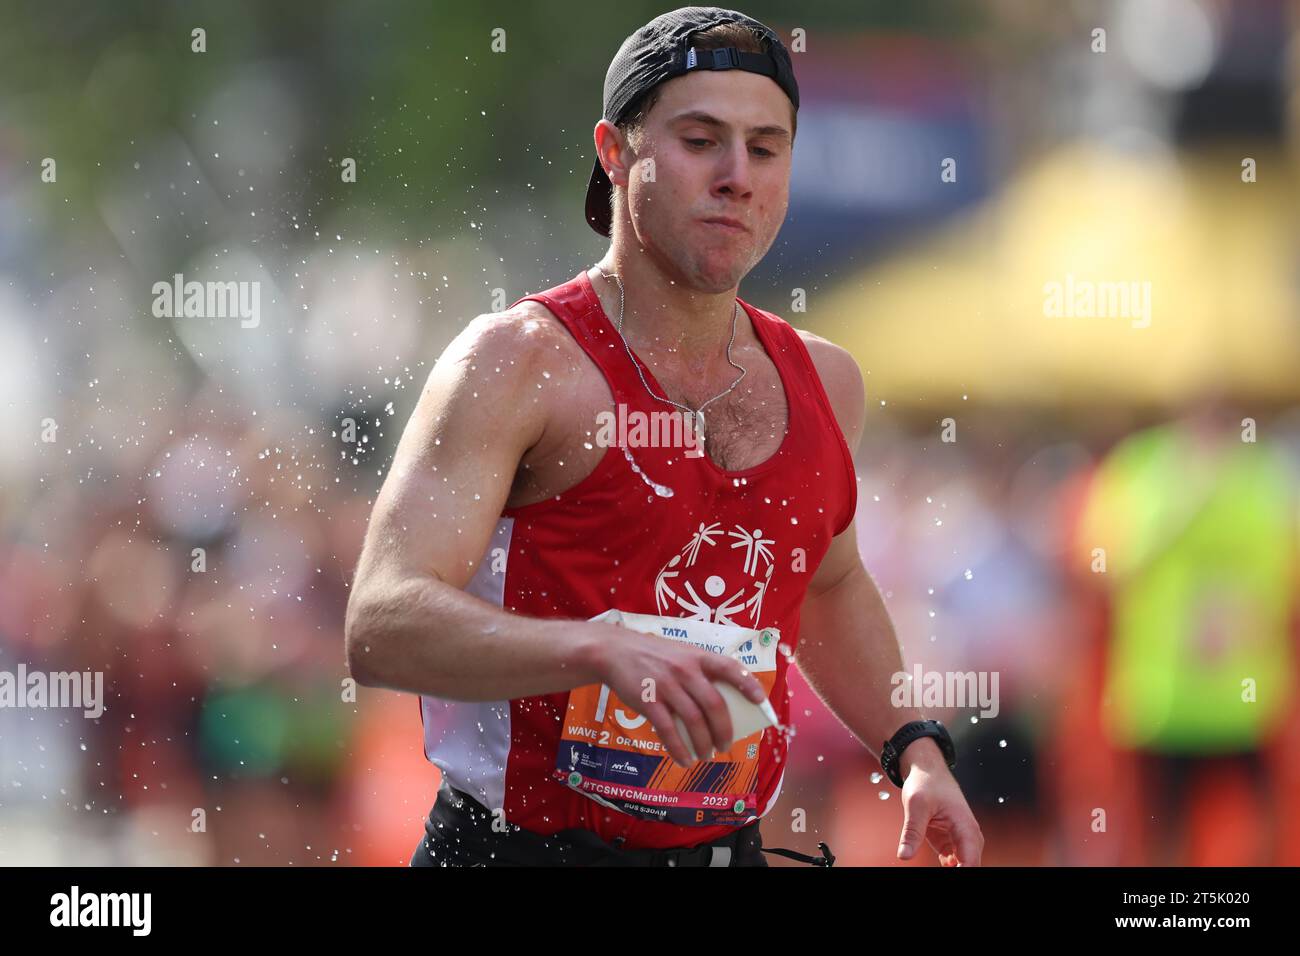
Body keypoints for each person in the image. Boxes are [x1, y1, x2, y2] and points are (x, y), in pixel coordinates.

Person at [344, 6, 983, 867]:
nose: (736, 176)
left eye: (765, 149)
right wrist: (597, 649)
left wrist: (915, 752)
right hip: (519, 853)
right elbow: (380, 623)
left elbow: (831, 587)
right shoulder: (520, 363)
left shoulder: (827, 382)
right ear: (616, 152)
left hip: (725, 848)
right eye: (700, 140)